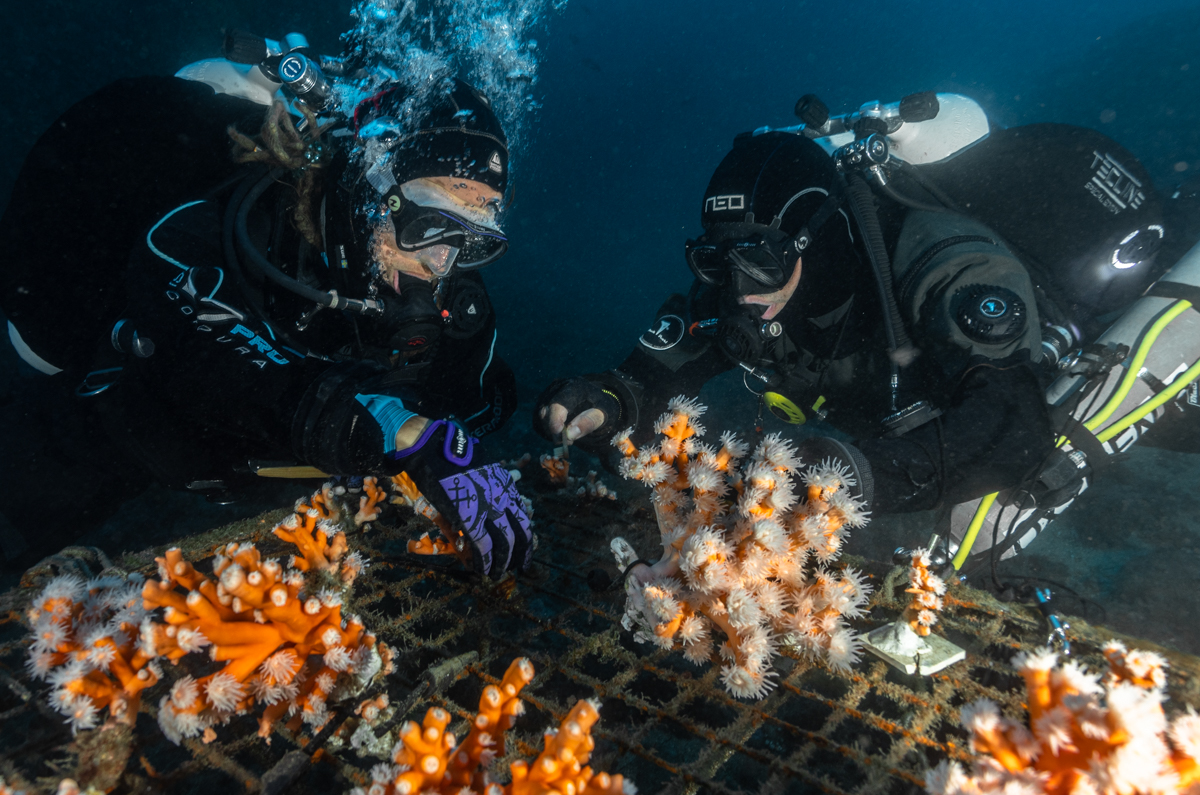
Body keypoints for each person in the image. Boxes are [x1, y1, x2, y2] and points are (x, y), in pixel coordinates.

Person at [534, 92, 1200, 572]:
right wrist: (606, 396)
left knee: (988, 527)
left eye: (761, 259)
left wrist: (848, 479)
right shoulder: (742, 285)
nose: (739, 288)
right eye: (716, 260)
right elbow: (650, 371)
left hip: (1067, 339)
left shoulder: (948, 264)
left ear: (816, 239)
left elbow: (1012, 425)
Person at [0, 37, 532, 577]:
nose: (443, 260)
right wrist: (395, 426)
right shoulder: (240, 227)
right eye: (433, 219)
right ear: (369, 187)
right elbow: (199, 343)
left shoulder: (448, 287)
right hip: (129, 436)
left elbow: (480, 399)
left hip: (269, 492)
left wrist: (577, 405)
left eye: (476, 233)